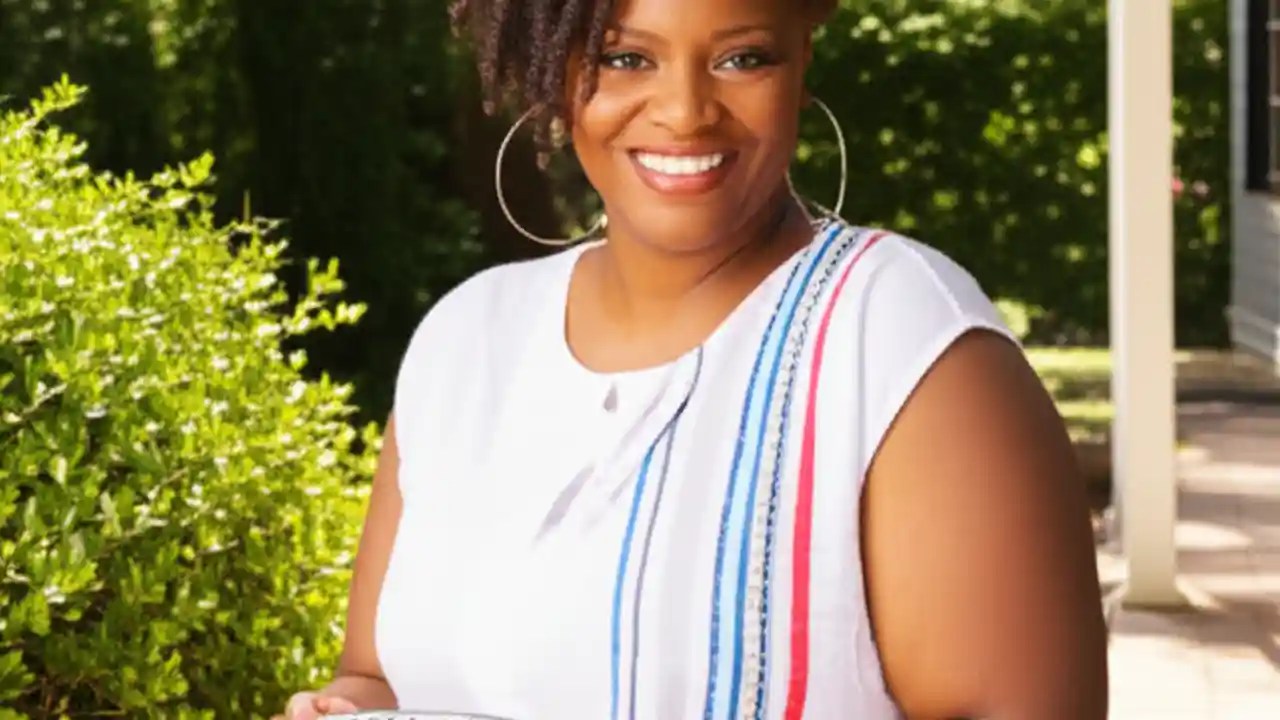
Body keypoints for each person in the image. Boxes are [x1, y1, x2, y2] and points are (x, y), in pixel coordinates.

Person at [276, 0, 1109, 718]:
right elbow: (381, 677)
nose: (684, 112)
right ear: (555, 67)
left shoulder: (906, 349)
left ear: (802, 54)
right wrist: (346, 708)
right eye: (626, 58)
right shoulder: (464, 342)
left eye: (742, 57)